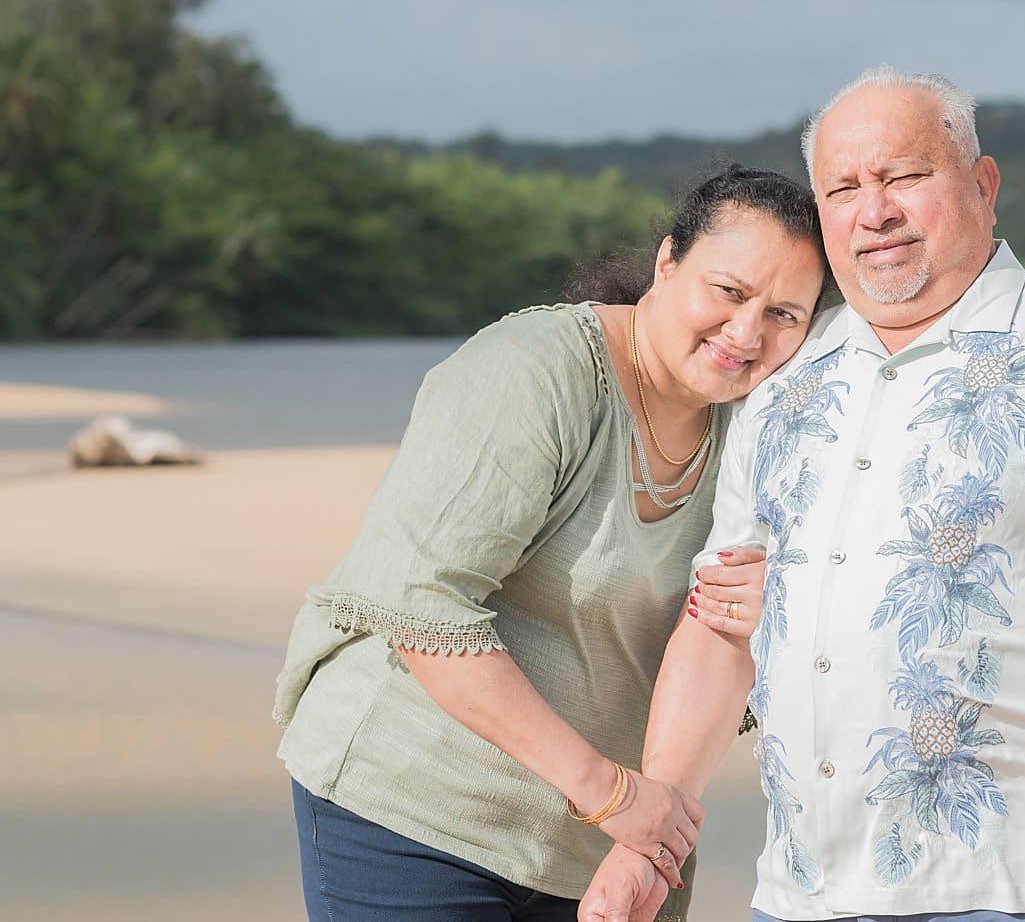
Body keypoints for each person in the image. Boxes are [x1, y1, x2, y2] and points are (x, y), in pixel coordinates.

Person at [581, 67, 1025, 922]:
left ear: (982, 185)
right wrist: (648, 843)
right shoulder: (784, 375)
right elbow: (720, 627)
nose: (875, 210)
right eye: (843, 188)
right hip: (799, 898)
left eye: (904, 176)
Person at [271, 165, 829, 922]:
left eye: (785, 315)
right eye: (729, 293)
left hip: (608, 847)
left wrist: (782, 606)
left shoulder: (763, 434)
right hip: (414, 808)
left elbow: (730, 655)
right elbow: (420, 601)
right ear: (668, 262)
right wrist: (611, 793)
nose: (747, 334)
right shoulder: (537, 370)